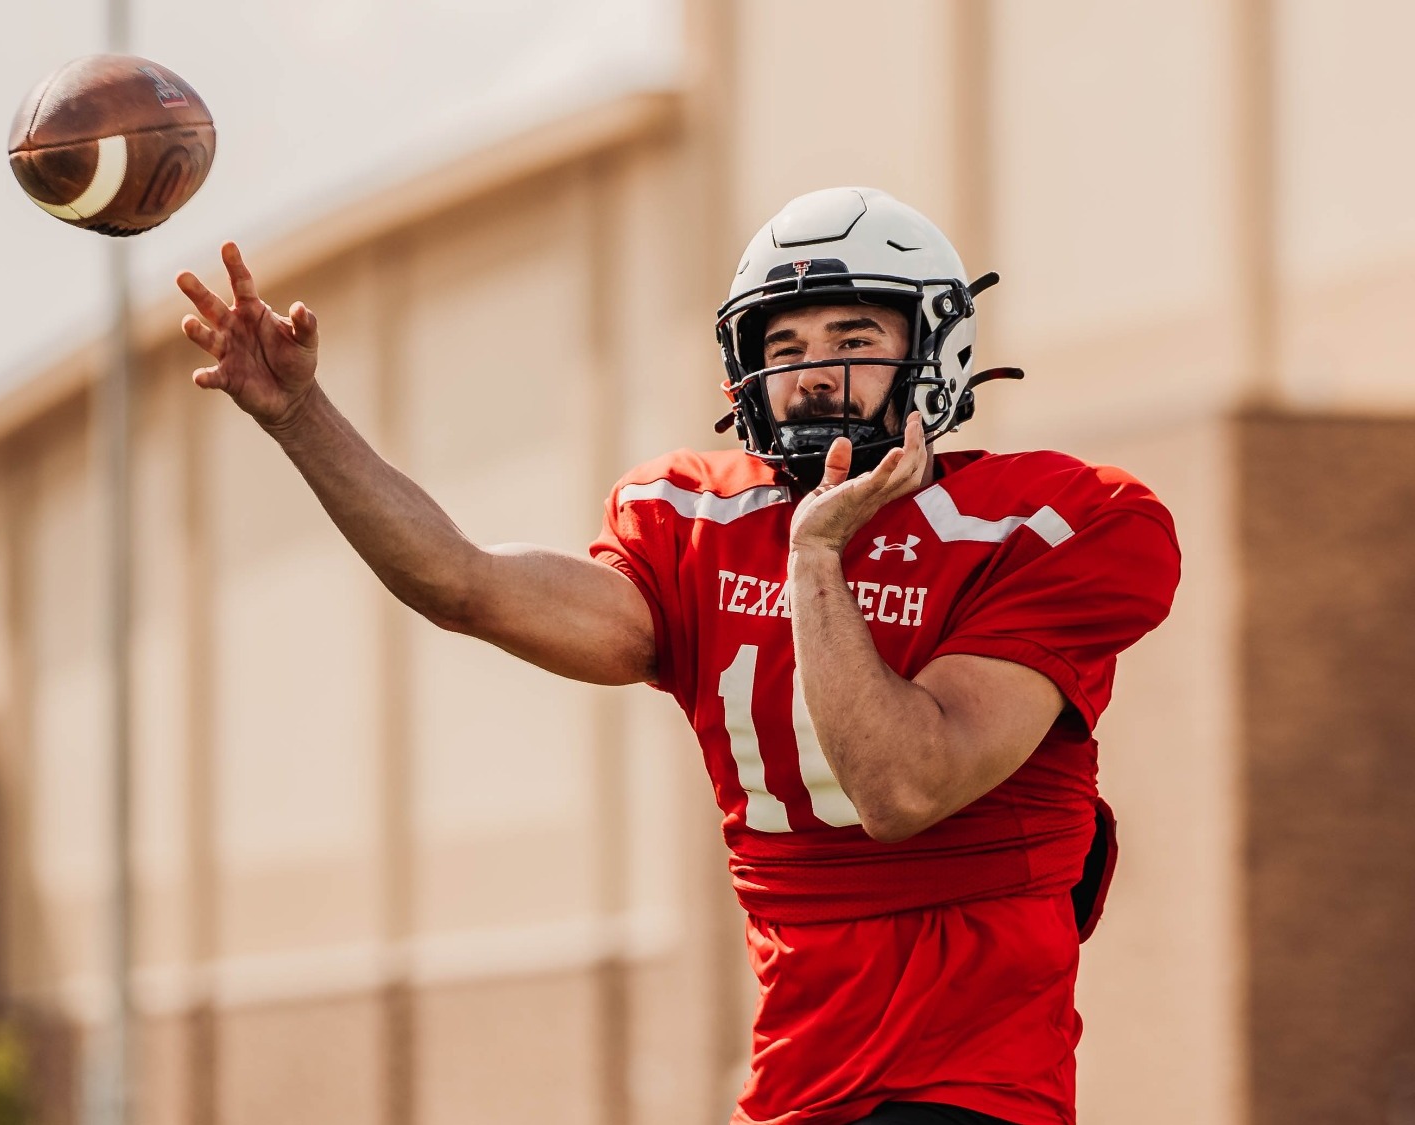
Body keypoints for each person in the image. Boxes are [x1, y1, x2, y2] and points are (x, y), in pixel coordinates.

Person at [174, 186, 1179, 1125]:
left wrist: (816, 554)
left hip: (976, 1082)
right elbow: (464, 586)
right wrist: (301, 418)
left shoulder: (1053, 521)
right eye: (781, 343)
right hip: (795, 1069)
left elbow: (901, 789)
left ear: (937, 348)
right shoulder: (700, 519)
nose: (813, 370)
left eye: (854, 336)